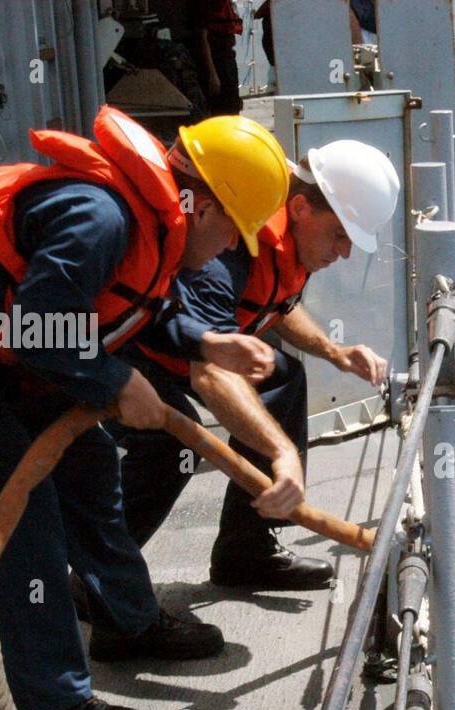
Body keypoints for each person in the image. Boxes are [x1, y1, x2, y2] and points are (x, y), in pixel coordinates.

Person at [0, 107, 290, 710]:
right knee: (15, 505)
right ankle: (46, 704)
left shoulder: (150, 224)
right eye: (237, 232)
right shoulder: (100, 217)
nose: (236, 249)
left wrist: (206, 341)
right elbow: (38, 325)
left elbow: (133, 301)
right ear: (201, 206)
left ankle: (127, 623)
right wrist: (114, 383)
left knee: (87, 463)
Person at [111, 139, 400, 591]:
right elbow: (210, 372)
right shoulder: (227, 254)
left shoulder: (290, 237)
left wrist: (334, 351)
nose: (344, 253)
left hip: (179, 347)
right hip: (116, 342)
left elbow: (276, 305)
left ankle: (245, 553)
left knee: (284, 379)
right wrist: (282, 453)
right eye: (340, 235)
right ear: (301, 208)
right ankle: (98, 587)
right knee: (170, 443)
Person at [188, 0, 244, 116]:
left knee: (233, 104)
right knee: (219, 107)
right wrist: (213, 75)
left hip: (228, 58)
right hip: (216, 61)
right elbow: (203, 38)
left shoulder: (225, 5)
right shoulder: (206, 5)